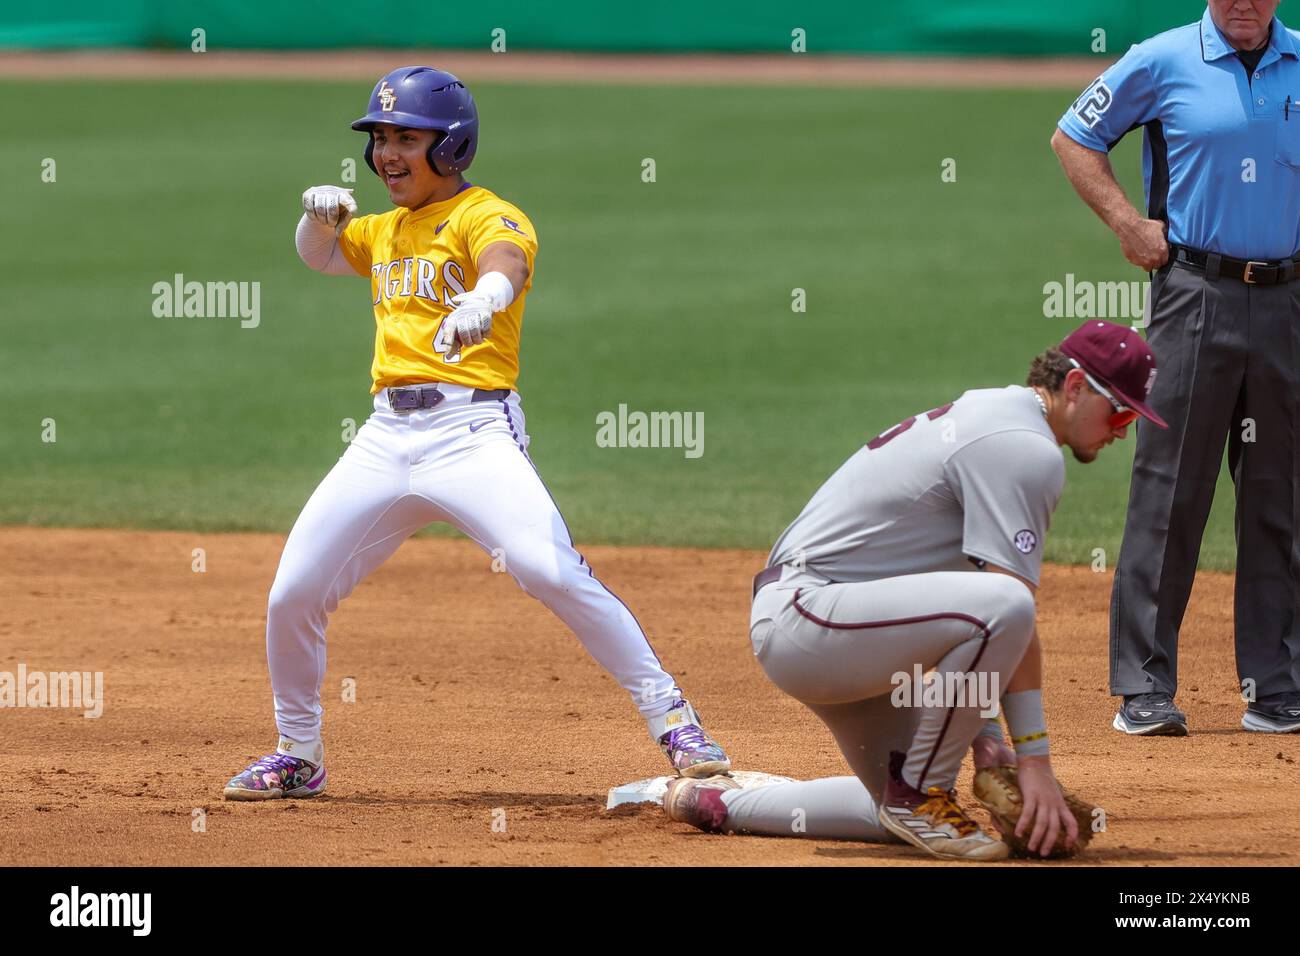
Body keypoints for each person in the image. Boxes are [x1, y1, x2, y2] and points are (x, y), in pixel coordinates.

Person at [223, 66, 729, 800]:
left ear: (451, 145)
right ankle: (298, 753)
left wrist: (485, 299)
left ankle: (675, 720)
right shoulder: (387, 228)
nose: (388, 154)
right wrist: (319, 219)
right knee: (292, 593)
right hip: (382, 440)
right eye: (380, 139)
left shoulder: (486, 213)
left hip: (471, 433)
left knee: (548, 569)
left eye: (407, 137)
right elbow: (323, 255)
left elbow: (508, 261)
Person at [664, 321, 1163, 860]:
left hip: (841, 632)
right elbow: (1005, 610)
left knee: (889, 818)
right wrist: (1034, 763)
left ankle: (716, 803)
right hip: (813, 620)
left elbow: (967, 613)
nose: (1123, 431)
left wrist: (990, 741)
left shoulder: (999, 416)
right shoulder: (1024, 447)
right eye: (1122, 412)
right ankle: (920, 793)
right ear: (1075, 386)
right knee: (1009, 608)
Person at [1053, 0, 1300, 736]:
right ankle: (1144, 687)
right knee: (1171, 491)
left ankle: (1277, 684)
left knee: (1279, 494)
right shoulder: (1161, 59)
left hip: (1289, 303)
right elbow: (1073, 136)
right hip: (1195, 298)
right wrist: (1128, 224)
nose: (1245, 5)